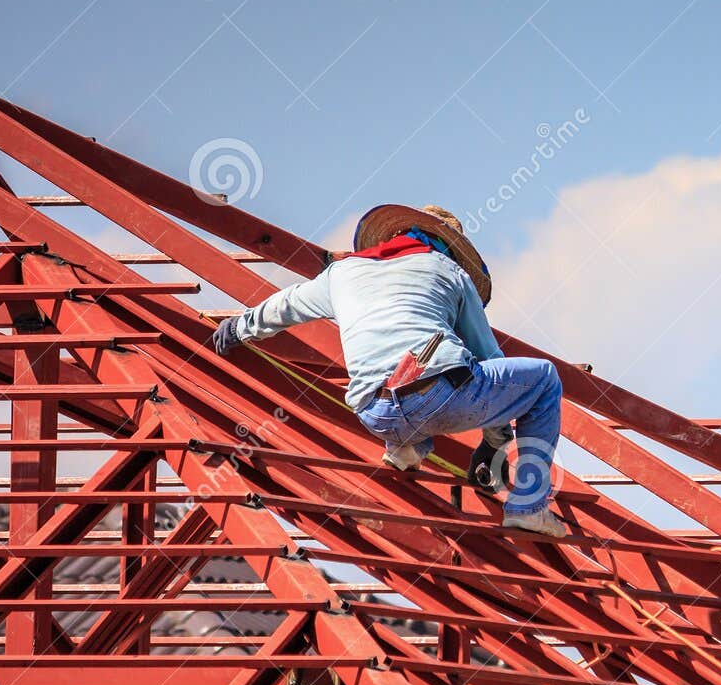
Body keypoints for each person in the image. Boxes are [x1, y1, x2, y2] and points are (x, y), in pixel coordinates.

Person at [212, 203, 568, 538]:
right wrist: (495, 441)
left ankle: (405, 447)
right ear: (449, 249)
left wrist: (239, 328)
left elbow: (287, 304)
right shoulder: (449, 271)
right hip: (442, 396)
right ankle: (529, 507)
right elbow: (489, 359)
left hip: (373, 412)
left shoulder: (342, 273)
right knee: (544, 379)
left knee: (405, 380)